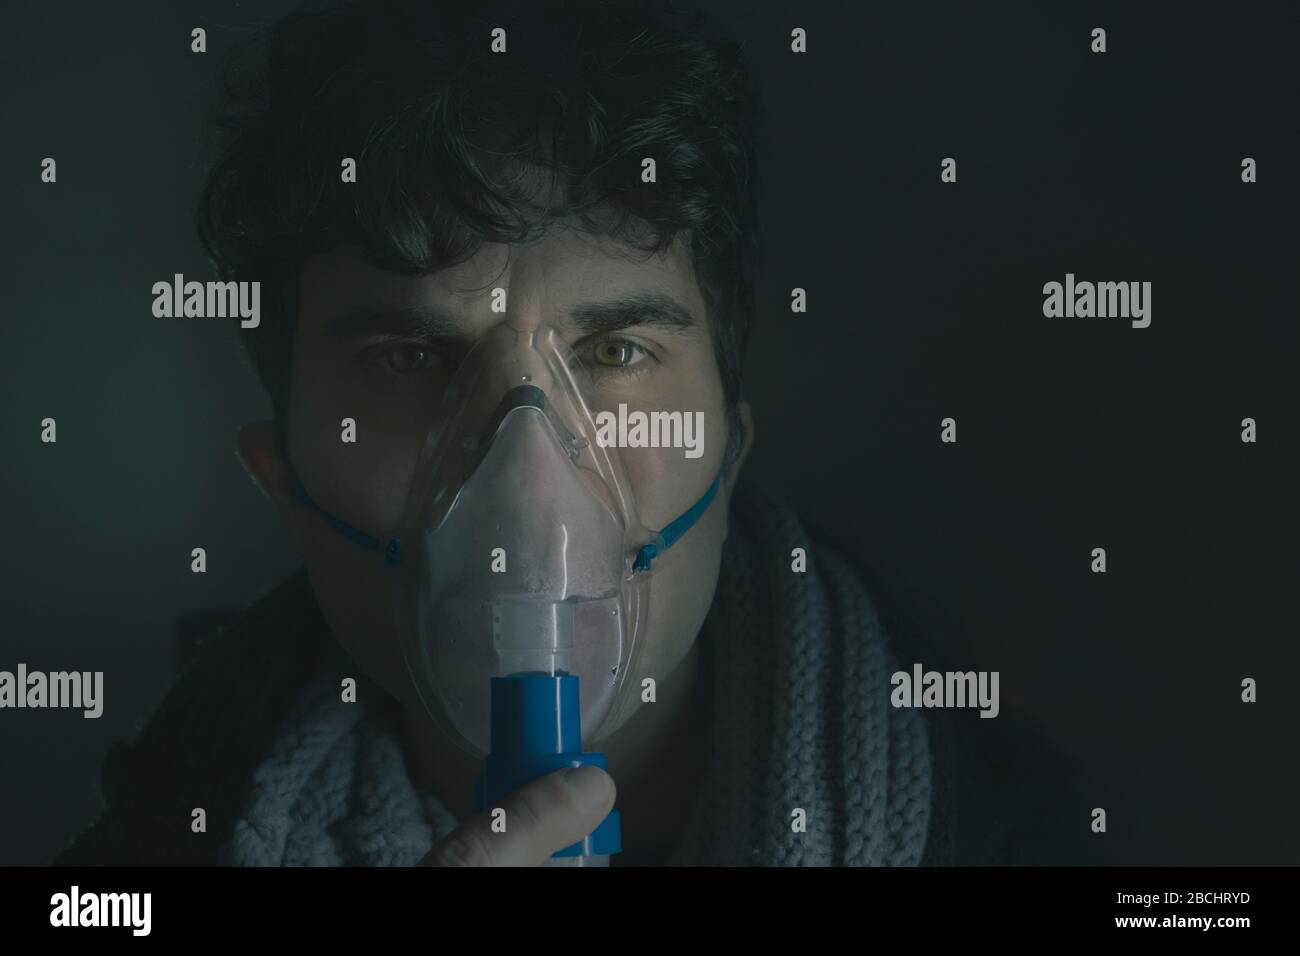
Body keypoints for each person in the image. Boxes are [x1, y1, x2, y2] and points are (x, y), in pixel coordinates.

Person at [54, 0, 1098, 867]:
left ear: (728, 445)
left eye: (615, 353)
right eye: (412, 359)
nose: (529, 489)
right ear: (281, 477)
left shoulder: (1012, 831)